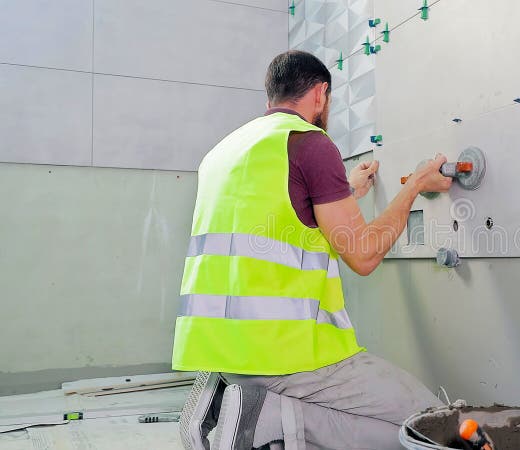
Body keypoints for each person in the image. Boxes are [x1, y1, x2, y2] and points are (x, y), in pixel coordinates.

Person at [173, 50, 453, 450]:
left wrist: (346, 188)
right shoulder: (309, 142)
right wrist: (414, 187)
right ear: (320, 94)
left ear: (271, 96)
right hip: (289, 355)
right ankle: (268, 416)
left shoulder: (225, 152)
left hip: (222, 353)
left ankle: (244, 404)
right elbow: (364, 255)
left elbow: (284, 215)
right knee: (428, 425)